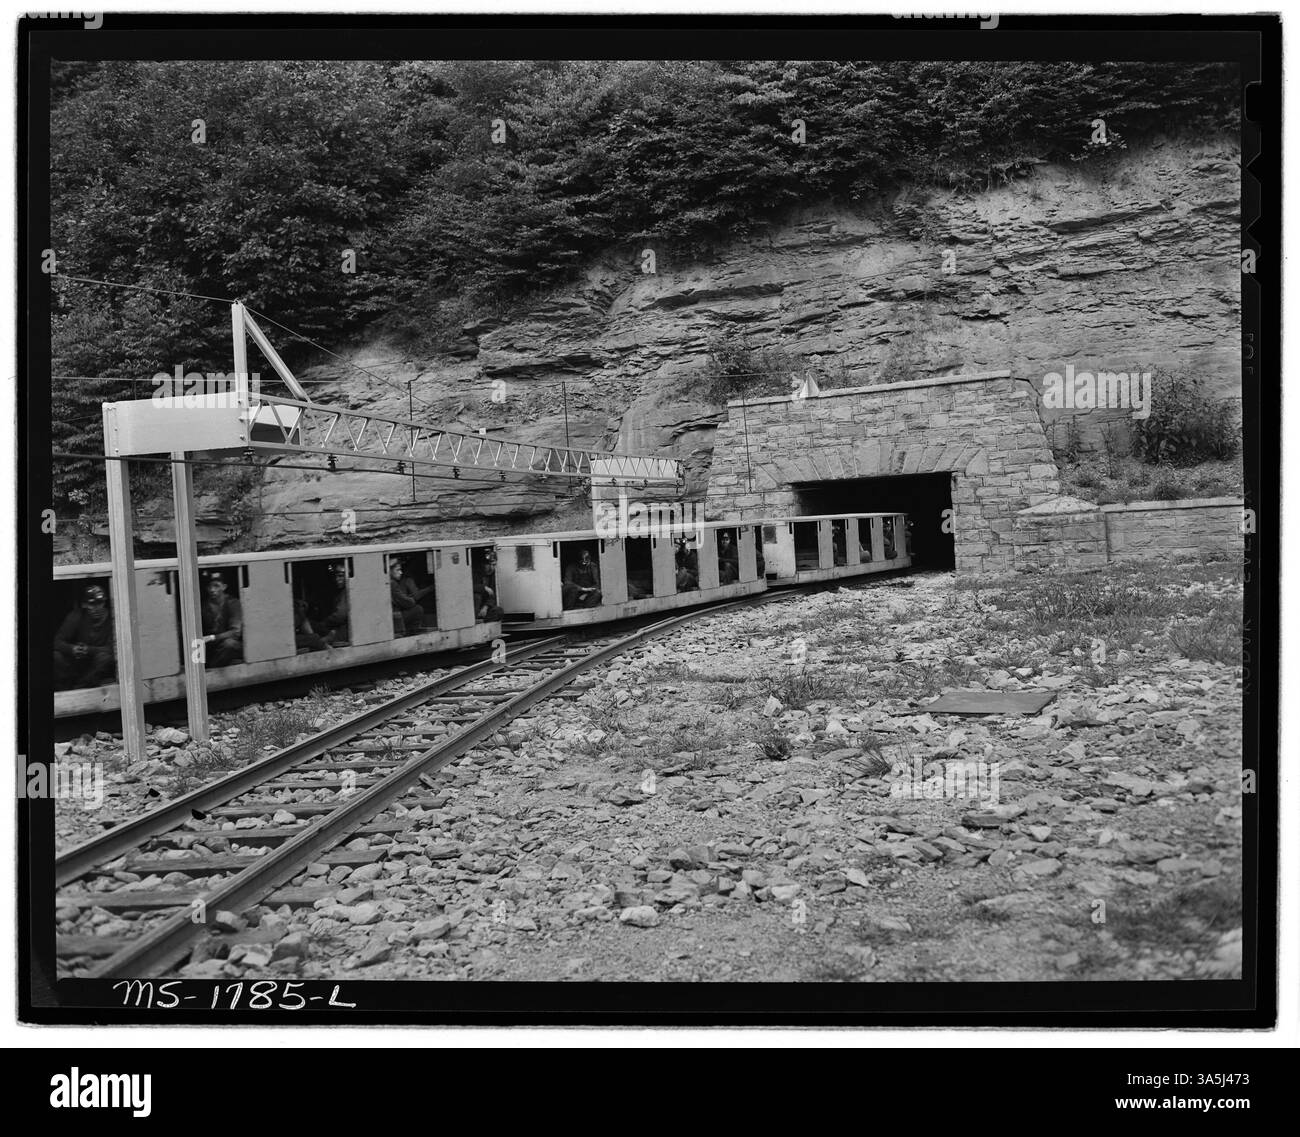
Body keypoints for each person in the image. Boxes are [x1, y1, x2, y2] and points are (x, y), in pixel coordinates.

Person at [53, 584, 115, 689]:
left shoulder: (112, 618)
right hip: (77, 662)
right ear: (84, 605)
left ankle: (81, 685)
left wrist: (89, 650)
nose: (97, 608)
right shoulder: (77, 616)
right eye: (92, 604)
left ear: (105, 602)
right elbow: (57, 642)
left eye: (100, 603)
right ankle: (67, 686)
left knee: (105, 658)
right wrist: (72, 649)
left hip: (97, 665)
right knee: (56, 656)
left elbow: (112, 649)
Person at [200, 573, 243, 667]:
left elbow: (235, 632)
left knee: (229, 644)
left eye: (216, 586)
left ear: (224, 587)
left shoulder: (233, 603)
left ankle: (211, 670)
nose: (212, 590)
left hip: (229, 644)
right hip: (212, 645)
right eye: (209, 586)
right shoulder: (204, 606)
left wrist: (212, 638)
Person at [390, 557, 434, 635]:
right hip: (395, 616)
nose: (401, 572)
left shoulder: (393, 582)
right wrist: (431, 588)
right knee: (418, 609)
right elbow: (411, 599)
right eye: (398, 570)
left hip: (394, 614)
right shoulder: (394, 583)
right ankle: (411, 632)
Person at [318, 563, 351, 646]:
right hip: (341, 629)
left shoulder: (347, 592)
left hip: (344, 631)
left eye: (340, 576)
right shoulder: (341, 592)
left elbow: (340, 616)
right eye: (336, 576)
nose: (337, 579)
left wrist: (325, 623)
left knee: (317, 642)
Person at [472, 550, 503, 621]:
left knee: (499, 611)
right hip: (473, 606)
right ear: (483, 564)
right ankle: (475, 619)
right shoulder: (474, 573)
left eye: (494, 565)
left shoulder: (492, 576)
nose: (492, 567)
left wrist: (486, 607)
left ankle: (482, 620)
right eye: (489, 565)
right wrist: (484, 588)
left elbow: (493, 595)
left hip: (483, 606)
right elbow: (467, 587)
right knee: (477, 596)